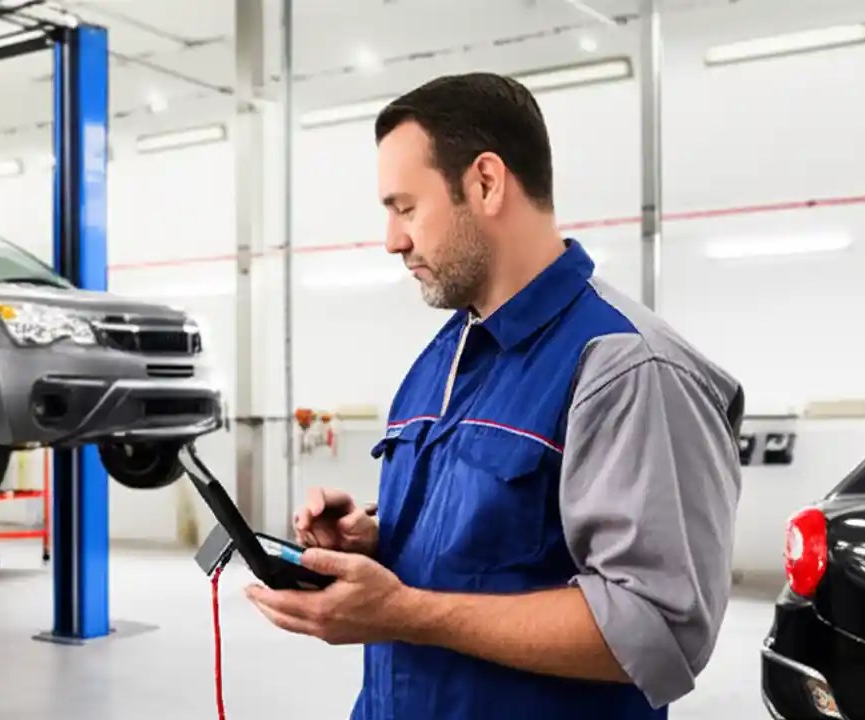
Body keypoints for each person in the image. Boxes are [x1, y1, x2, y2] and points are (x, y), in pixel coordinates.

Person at [244, 72, 744, 719]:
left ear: (485, 182)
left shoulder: (627, 366)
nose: (393, 240)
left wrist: (405, 612)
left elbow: (657, 629)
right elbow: (491, 540)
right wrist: (377, 537)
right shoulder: (444, 354)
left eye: (405, 207)